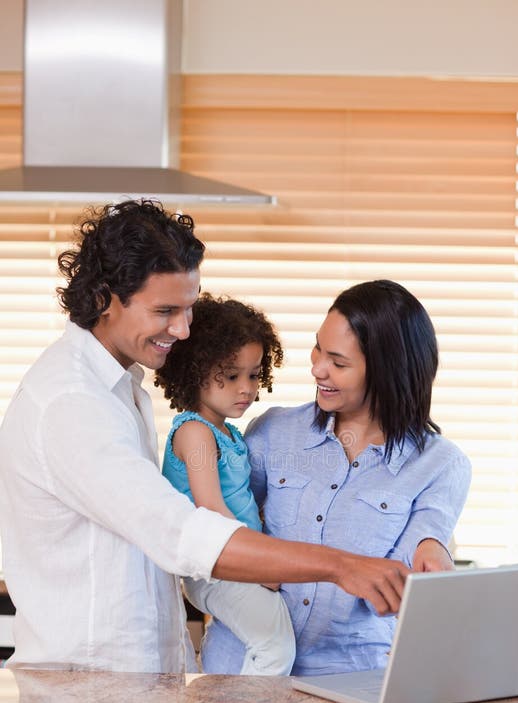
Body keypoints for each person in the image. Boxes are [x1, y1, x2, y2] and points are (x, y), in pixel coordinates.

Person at [0, 200, 409, 674]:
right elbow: (182, 532)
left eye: (189, 308)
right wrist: (339, 565)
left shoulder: (119, 387)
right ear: (103, 299)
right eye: (165, 311)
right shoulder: (71, 403)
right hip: (90, 693)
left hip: (131, 687)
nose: (183, 328)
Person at [200, 279, 472, 677]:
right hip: (239, 672)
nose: (317, 369)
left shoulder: (441, 464)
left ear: (387, 372)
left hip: (349, 684)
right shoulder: (272, 433)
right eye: (318, 349)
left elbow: (428, 538)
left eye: (339, 363)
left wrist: (433, 556)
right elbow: (220, 537)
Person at [155, 295, 295, 675]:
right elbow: (212, 512)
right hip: (216, 568)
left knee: (267, 639)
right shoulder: (196, 433)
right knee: (275, 647)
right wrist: (262, 568)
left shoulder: (227, 432)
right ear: (194, 371)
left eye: (253, 374)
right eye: (231, 375)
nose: (246, 388)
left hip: (231, 563)